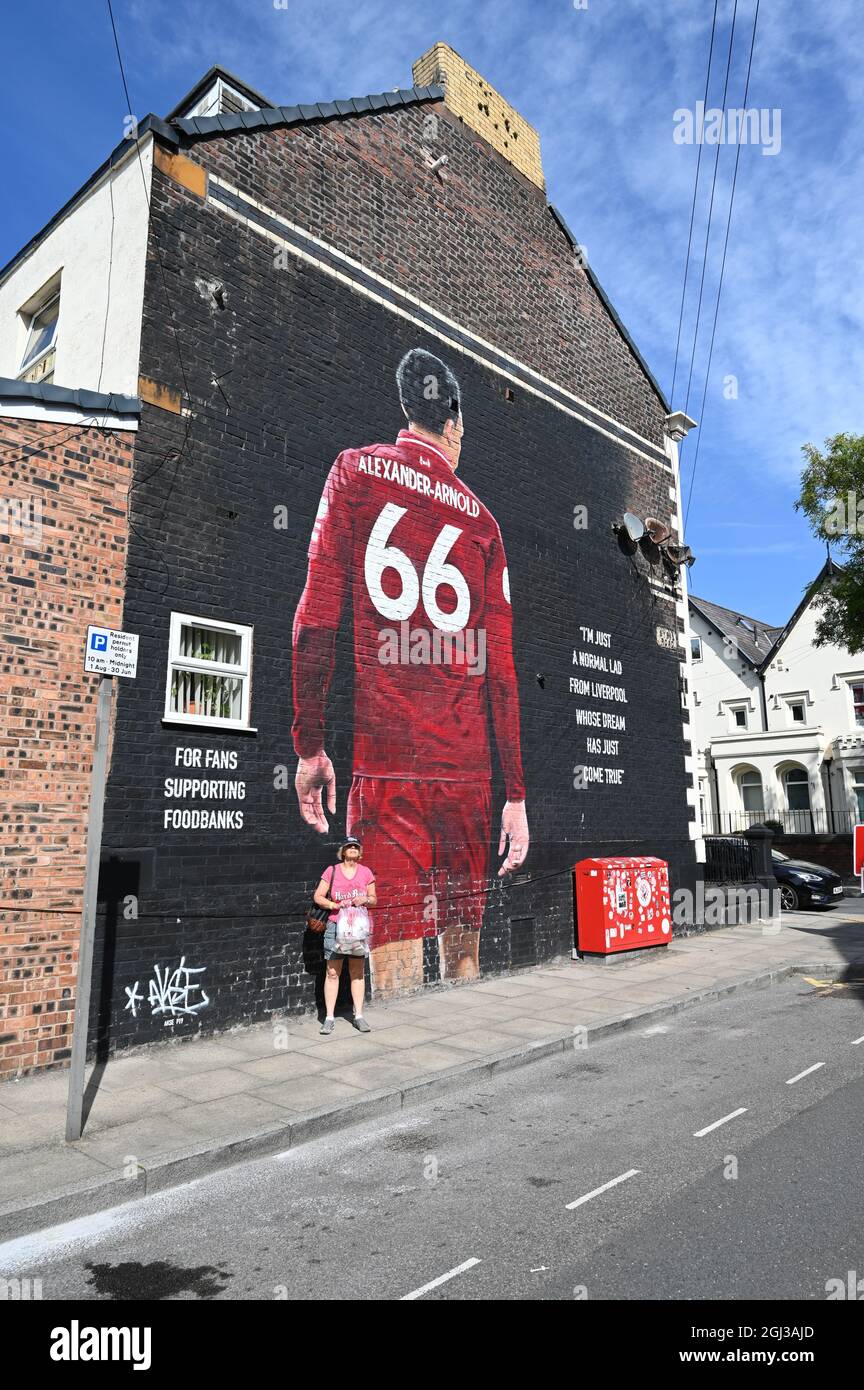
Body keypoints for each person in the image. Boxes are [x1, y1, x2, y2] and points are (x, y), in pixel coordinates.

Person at [293, 346, 528, 996]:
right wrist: (515, 795)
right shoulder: (482, 521)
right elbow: (502, 674)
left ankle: (394, 1068)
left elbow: (315, 620)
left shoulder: (354, 471)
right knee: (465, 955)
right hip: (469, 775)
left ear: (406, 408)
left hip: (388, 764)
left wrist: (309, 745)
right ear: (451, 423)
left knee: (388, 945)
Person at [314, 837, 377, 1034]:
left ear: (360, 852)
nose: (352, 849)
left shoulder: (366, 872)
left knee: (357, 972)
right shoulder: (332, 871)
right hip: (335, 926)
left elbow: (374, 899)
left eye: (355, 847)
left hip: (357, 928)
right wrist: (334, 905)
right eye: (349, 846)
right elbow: (318, 896)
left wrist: (365, 898)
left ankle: (358, 1016)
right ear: (343, 851)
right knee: (333, 972)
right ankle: (329, 1018)